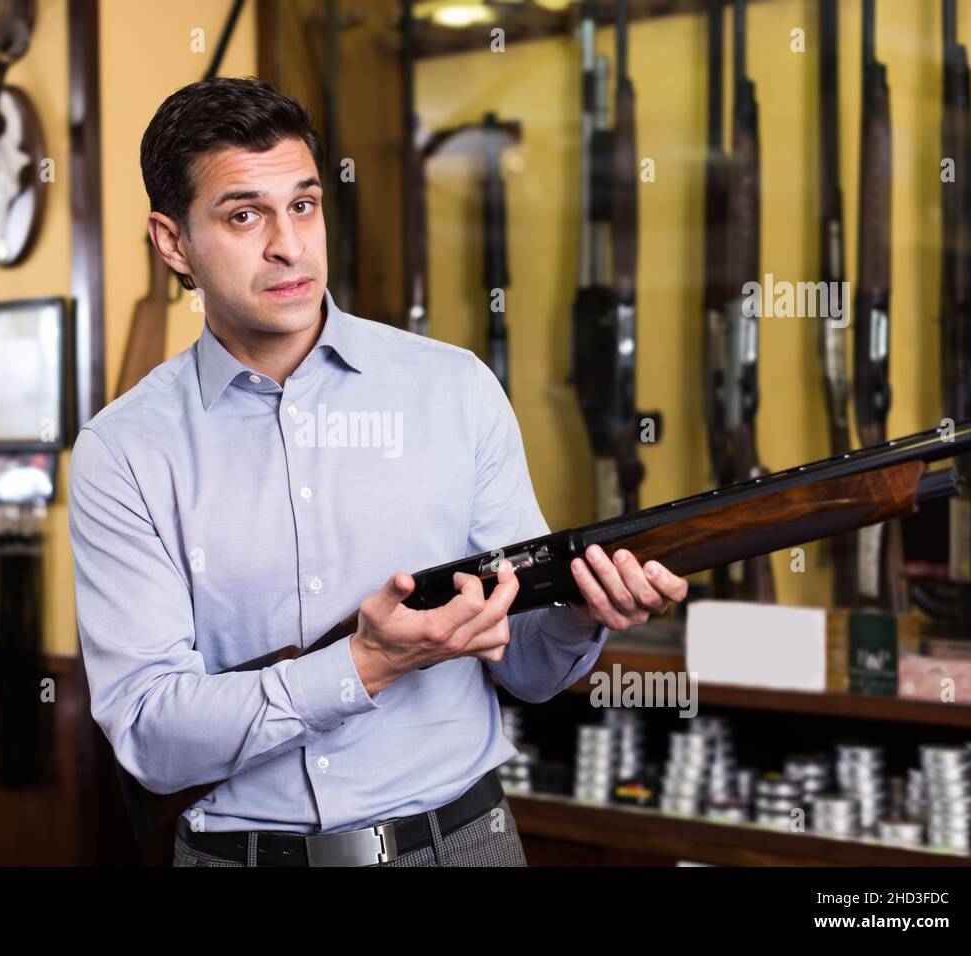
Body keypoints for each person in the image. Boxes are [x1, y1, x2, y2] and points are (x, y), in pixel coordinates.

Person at [69, 76, 689, 867]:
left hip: (462, 846)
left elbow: (530, 668)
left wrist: (584, 610)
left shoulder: (454, 389)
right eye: (243, 215)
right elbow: (153, 735)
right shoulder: (122, 453)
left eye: (303, 204)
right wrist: (365, 666)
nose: (289, 245)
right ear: (171, 242)